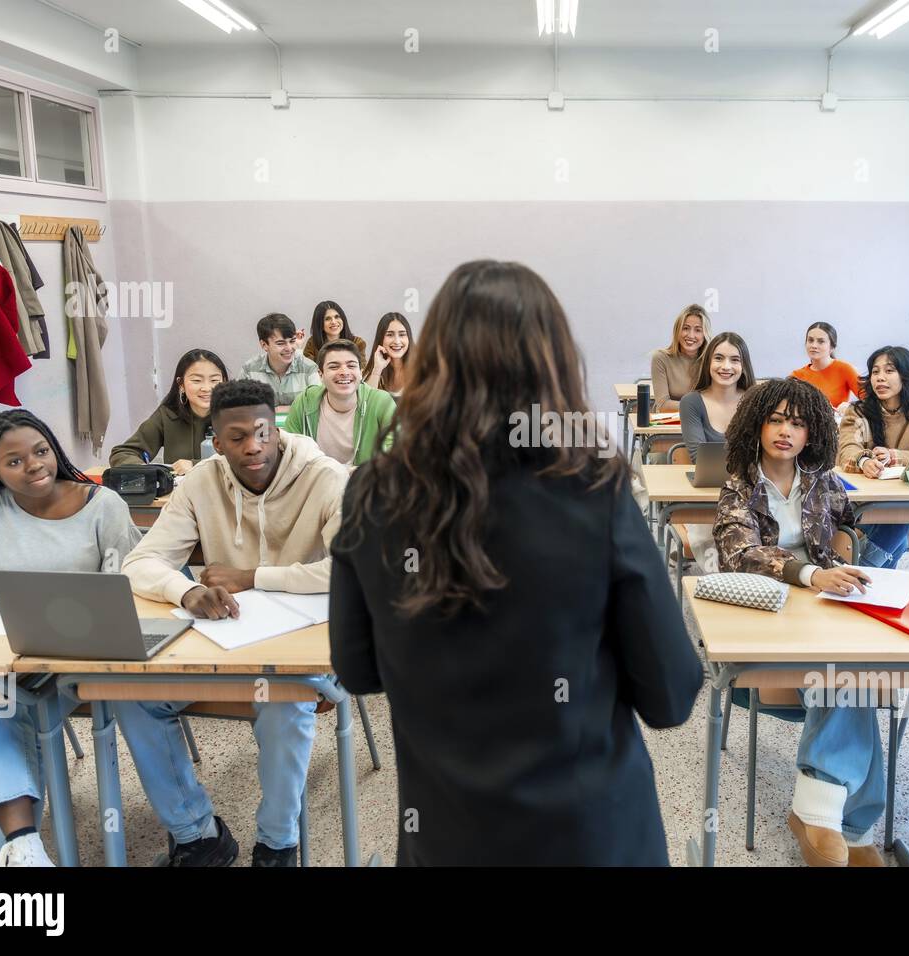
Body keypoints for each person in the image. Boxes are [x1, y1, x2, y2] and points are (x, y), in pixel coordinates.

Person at [330, 259, 702, 865]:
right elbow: (671, 694)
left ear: (431, 362)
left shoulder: (373, 493)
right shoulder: (594, 492)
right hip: (590, 837)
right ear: (551, 363)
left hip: (448, 838)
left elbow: (356, 669)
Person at [115, 379, 348, 867]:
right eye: (237, 437)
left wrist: (253, 576)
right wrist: (188, 589)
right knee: (134, 695)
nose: (253, 446)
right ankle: (198, 834)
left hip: (305, 650)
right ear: (215, 443)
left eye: (263, 432)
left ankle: (278, 842)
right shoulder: (202, 481)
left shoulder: (326, 478)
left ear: (278, 432)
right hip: (226, 645)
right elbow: (140, 562)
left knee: (286, 702)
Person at [0, 410, 141, 867]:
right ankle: (24, 845)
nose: (34, 465)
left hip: (91, 666)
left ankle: (16, 848)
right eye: (13, 461)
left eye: (40, 451)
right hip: (13, 661)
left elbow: (136, 581)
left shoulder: (103, 505)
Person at [714, 377, 881, 867]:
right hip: (768, 614)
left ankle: (824, 818)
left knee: (861, 676)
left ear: (812, 434)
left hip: (826, 606)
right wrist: (812, 573)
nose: (786, 431)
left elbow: (849, 522)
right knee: (844, 678)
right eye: (777, 419)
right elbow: (738, 553)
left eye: (799, 423)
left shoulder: (824, 479)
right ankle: (847, 823)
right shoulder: (738, 485)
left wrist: (848, 547)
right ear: (758, 424)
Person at [838, 346, 909, 568]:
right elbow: (847, 449)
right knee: (899, 522)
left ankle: (865, 568)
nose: (880, 378)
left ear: (905, 375)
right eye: (875, 372)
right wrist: (864, 460)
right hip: (868, 499)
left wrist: (895, 456)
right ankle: (869, 570)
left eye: (889, 371)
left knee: (900, 516)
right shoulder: (858, 411)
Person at [109, 349, 227, 474]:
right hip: (179, 492)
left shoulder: (235, 415)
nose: (206, 388)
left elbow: (245, 459)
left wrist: (195, 465)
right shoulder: (168, 415)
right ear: (181, 384)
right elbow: (122, 453)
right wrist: (143, 471)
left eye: (214, 380)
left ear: (224, 381)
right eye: (197, 380)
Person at [284, 340, 396, 467]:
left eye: (351, 366)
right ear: (321, 374)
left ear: (360, 372)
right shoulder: (304, 402)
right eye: (334, 366)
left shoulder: (381, 402)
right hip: (317, 481)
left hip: (365, 482)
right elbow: (289, 448)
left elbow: (396, 452)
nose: (344, 372)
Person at [679, 331, 755, 463]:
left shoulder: (756, 401)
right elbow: (700, 459)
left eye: (735, 360)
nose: (726, 366)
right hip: (710, 482)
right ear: (708, 362)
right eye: (718, 358)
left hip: (751, 481)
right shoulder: (691, 402)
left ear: (744, 366)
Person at [239, 313, 321, 409]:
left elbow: (317, 408)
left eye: (292, 341)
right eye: (281, 343)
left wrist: (278, 410)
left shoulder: (309, 368)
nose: (289, 348)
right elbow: (240, 409)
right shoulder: (249, 370)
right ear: (264, 345)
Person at [651, 304, 711, 412]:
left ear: (705, 334)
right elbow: (663, 405)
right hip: (670, 426)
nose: (691, 335)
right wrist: (700, 407)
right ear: (677, 331)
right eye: (685, 328)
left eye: (698, 330)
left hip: (702, 424)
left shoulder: (712, 361)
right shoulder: (661, 358)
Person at [791, 322, 861, 411]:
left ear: (832, 347)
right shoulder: (796, 376)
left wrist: (851, 406)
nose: (814, 345)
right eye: (810, 340)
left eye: (821, 341)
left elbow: (869, 400)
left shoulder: (845, 369)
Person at [362, 312, 413, 397]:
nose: (397, 341)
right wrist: (377, 369)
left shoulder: (421, 368)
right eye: (390, 334)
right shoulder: (371, 371)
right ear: (380, 339)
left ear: (408, 338)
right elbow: (366, 403)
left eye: (402, 334)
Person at [302, 300, 367, 364]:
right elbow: (307, 370)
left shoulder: (357, 342)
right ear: (320, 324)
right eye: (327, 319)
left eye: (337, 317)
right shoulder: (313, 343)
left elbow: (362, 370)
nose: (333, 322)